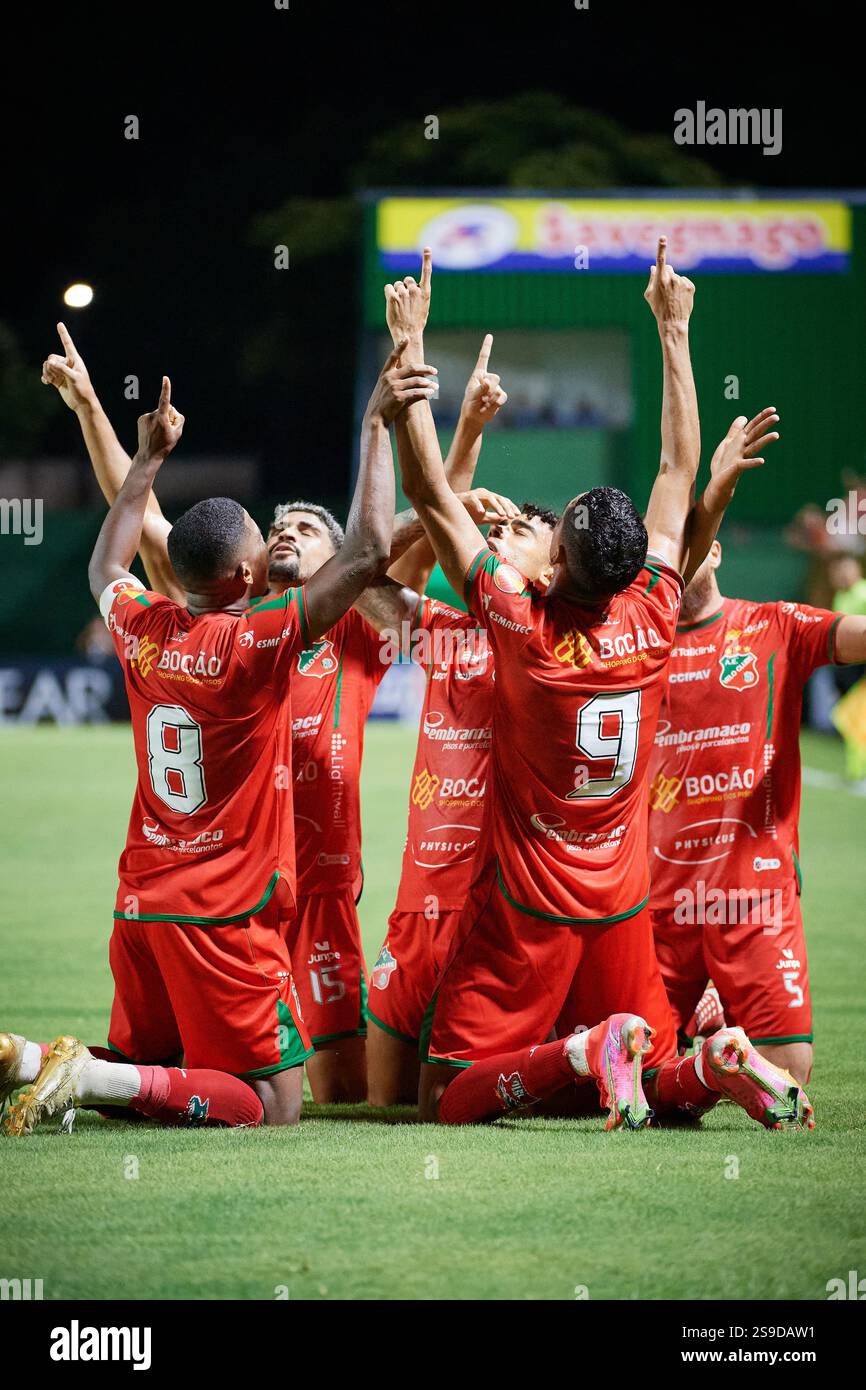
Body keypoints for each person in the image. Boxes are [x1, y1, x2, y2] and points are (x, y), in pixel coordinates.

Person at [38, 306, 512, 1104]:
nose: (286, 531)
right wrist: (90, 408)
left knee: (346, 1092)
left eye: (305, 528)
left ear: (339, 563)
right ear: (249, 568)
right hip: (237, 894)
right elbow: (147, 521)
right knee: (254, 1083)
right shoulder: (251, 630)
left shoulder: (357, 632)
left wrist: (462, 435)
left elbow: (411, 533)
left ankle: (114, 1080)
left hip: (314, 896)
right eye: (277, 526)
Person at [391, 238, 810, 1133]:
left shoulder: (524, 625)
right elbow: (676, 469)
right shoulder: (654, 611)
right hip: (621, 902)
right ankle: (713, 1064)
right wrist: (674, 328)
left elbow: (428, 493)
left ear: (554, 569)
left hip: (527, 906)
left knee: (444, 1099)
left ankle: (584, 1051)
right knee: (659, 1082)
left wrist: (411, 354)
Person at [648, 536, 866, 1089]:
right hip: (658, 903)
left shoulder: (776, 625)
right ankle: (708, 1038)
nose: (677, 556)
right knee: (628, 1068)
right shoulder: (636, 647)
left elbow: (858, 636)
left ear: (716, 551)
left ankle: (712, 1033)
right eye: (664, 546)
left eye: (690, 541)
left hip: (754, 895)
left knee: (787, 1074)